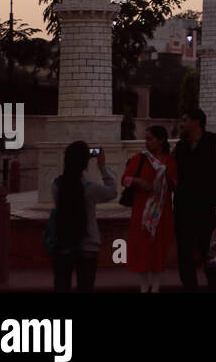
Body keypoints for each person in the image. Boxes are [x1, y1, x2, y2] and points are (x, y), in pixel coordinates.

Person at [173, 108, 216, 291]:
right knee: (184, 253)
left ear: (196, 122)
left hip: (204, 207)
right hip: (182, 207)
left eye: (184, 119)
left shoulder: (214, 141)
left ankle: (214, 286)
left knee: (208, 251)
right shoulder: (180, 146)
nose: (181, 124)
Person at [50, 141, 117, 292]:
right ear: (86, 163)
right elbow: (113, 191)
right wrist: (102, 167)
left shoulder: (56, 186)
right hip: (88, 245)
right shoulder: (90, 190)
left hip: (63, 242)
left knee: (61, 287)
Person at [121, 125, 177, 293]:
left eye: (150, 139)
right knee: (143, 248)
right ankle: (144, 287)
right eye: (146, 139)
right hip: (142, 211)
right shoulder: (140, 159)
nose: (146, 143)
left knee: (159, 249)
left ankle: (156, 287)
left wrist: (168, 181)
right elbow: (125, 179)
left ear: (161, 141)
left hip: (162, 211)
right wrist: (139, 182)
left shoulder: (169, 161)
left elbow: (175, 183)